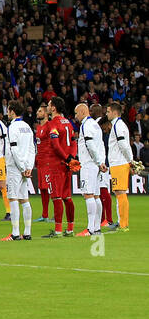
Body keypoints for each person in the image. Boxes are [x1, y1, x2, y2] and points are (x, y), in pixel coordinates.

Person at [41, 99, 77, 238]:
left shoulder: (53, 124)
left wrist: (67, 159)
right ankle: (70, 228)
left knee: (56, 197)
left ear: (54, 108)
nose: (47, 107)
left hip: (56, 164)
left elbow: (55, 145)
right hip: (67, 164)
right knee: (67, 197)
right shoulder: (68, 122)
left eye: (49, 105)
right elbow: (73, 142)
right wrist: (71, 158)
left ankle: (57, 231)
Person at [2, 100, 36, 241]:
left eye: (8, 110)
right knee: (24, 199)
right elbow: (32, 148)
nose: (7, 113)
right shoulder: (27, 127)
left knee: (13, 198)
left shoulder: (12, 127)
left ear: (12, 111)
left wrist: (22, 167)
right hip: (25, 167)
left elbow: (14, 149)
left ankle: (15, 233)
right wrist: (29, 167)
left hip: (15, 167)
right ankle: (27, 232)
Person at [74, 102, 107, 238]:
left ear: (83, 112)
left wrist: (99, 162)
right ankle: (97, 227)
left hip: (89, 164)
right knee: (96, 195)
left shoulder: (86, 125)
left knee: (88, 195)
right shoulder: (95, 125)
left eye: (76, 113)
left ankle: (90, 228)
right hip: (97, 164)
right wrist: (101, 162)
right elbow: (101, 145)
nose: (75, 116)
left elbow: (90, 145)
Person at [106, 101, 132, 231]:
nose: (107, 114)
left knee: (120, 192)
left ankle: (123, 224)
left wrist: (130, 160)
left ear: (115, 112)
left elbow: (123, 145)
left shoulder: (118, 126)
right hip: (118, 163)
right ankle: (121, 221)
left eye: (108, 111)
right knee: (119, 192)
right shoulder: (117, 125)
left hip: (119, 163)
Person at [33, 104, 53, 223]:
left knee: (51, 188)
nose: (37, 113)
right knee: (43, 188)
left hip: (48, 161)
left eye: (40, 111)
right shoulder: (39, 127)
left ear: (46, 113)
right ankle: (44, 215)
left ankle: (56, 214)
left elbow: (53, 143)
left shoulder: (49, 126)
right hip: (40, 161)